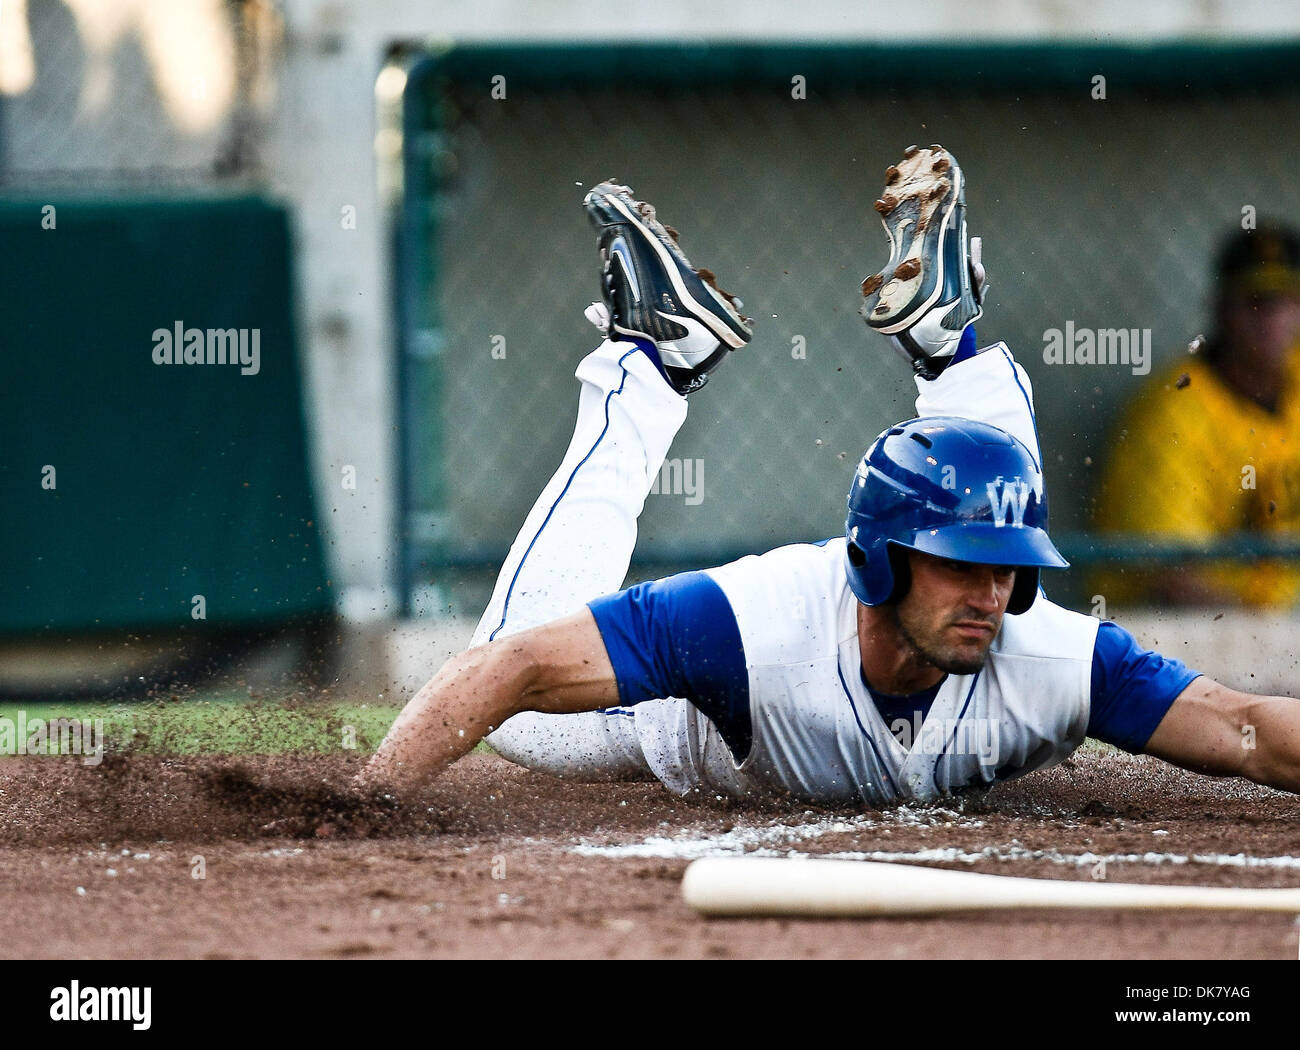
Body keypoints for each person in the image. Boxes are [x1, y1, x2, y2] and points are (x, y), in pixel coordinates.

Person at [355, 146, 1300, 809]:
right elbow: (510, 668)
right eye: (960, 566)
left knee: (987, 485)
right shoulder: (747, 622)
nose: (992, 591)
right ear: (879, 562)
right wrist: (363, 807)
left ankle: (946, 340)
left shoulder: (1050, 658)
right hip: (676, 733)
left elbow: (1249, 730)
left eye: (1006, 567)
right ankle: (651, 368)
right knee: (518, 709)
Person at [1094, 225, 1300, 607]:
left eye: (1285, 300)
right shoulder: (1173, 411)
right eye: (1254, 300)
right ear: (1220, 308)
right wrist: (1270, 638)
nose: (1270, 318)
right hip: (1178, 634)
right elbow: (1171, 577)